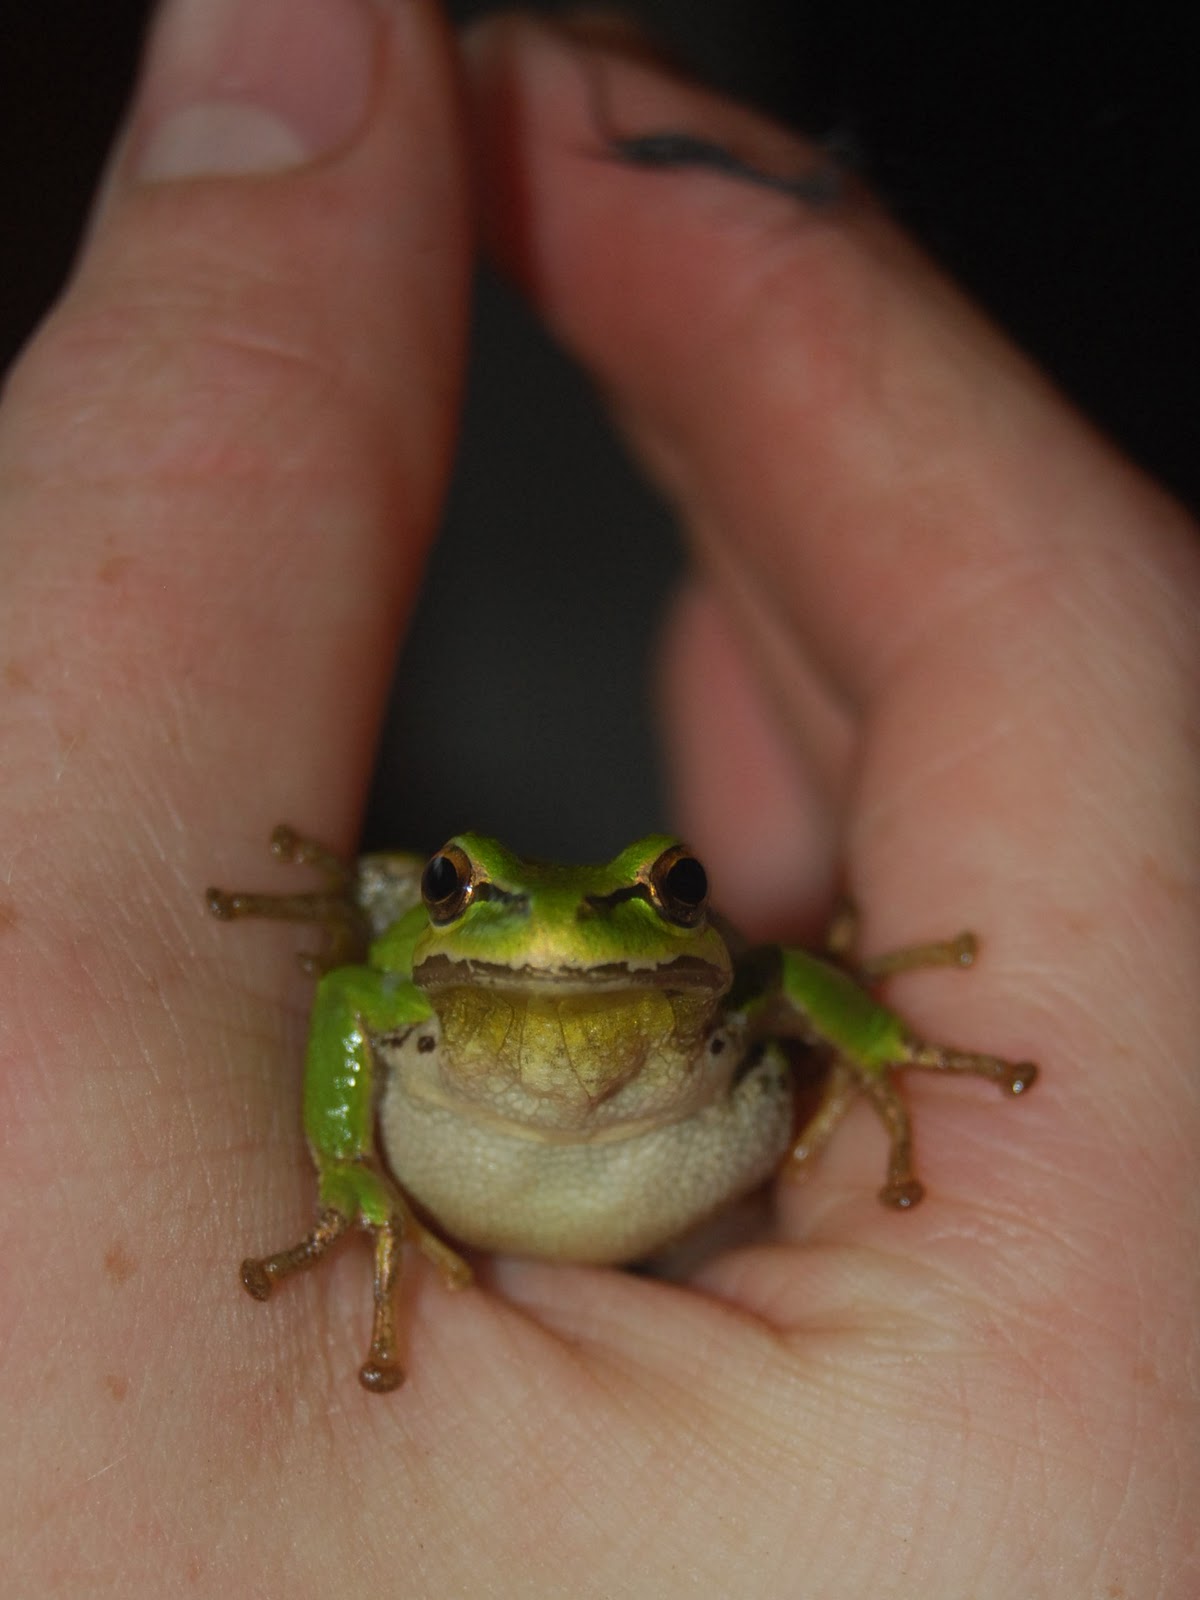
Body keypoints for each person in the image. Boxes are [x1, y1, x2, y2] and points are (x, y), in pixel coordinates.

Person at [3, 2, 1195, 1594]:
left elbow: (770, 974)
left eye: (667, 895)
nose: (562, 931)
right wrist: (347, 1171)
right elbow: (355, 993)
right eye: (459, 891)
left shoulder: (729, 984)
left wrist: (879, 1034)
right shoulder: (398, 999)